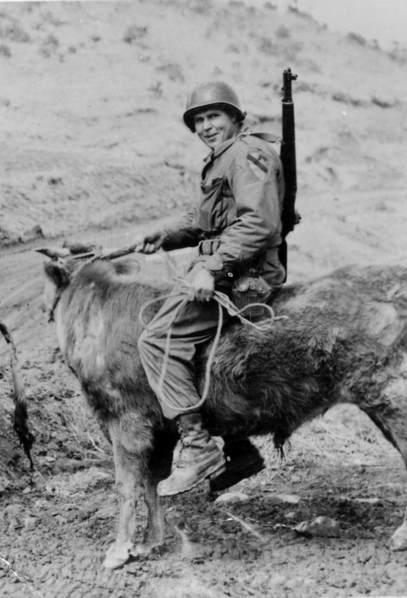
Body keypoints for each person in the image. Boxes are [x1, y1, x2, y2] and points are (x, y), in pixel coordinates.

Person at [136, 82, 285, 496]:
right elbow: (209, 221)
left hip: (246, 276)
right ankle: (239, 450)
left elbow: (259, 224)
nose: (206, 126)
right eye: (199, 120)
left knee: (158, 340)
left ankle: (199, 448)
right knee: (182, 335)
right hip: (228, 270)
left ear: (237, 119)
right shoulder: (223, 160)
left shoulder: (247, 156)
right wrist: (164, 235)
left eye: (214, 116)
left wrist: (211, 269)